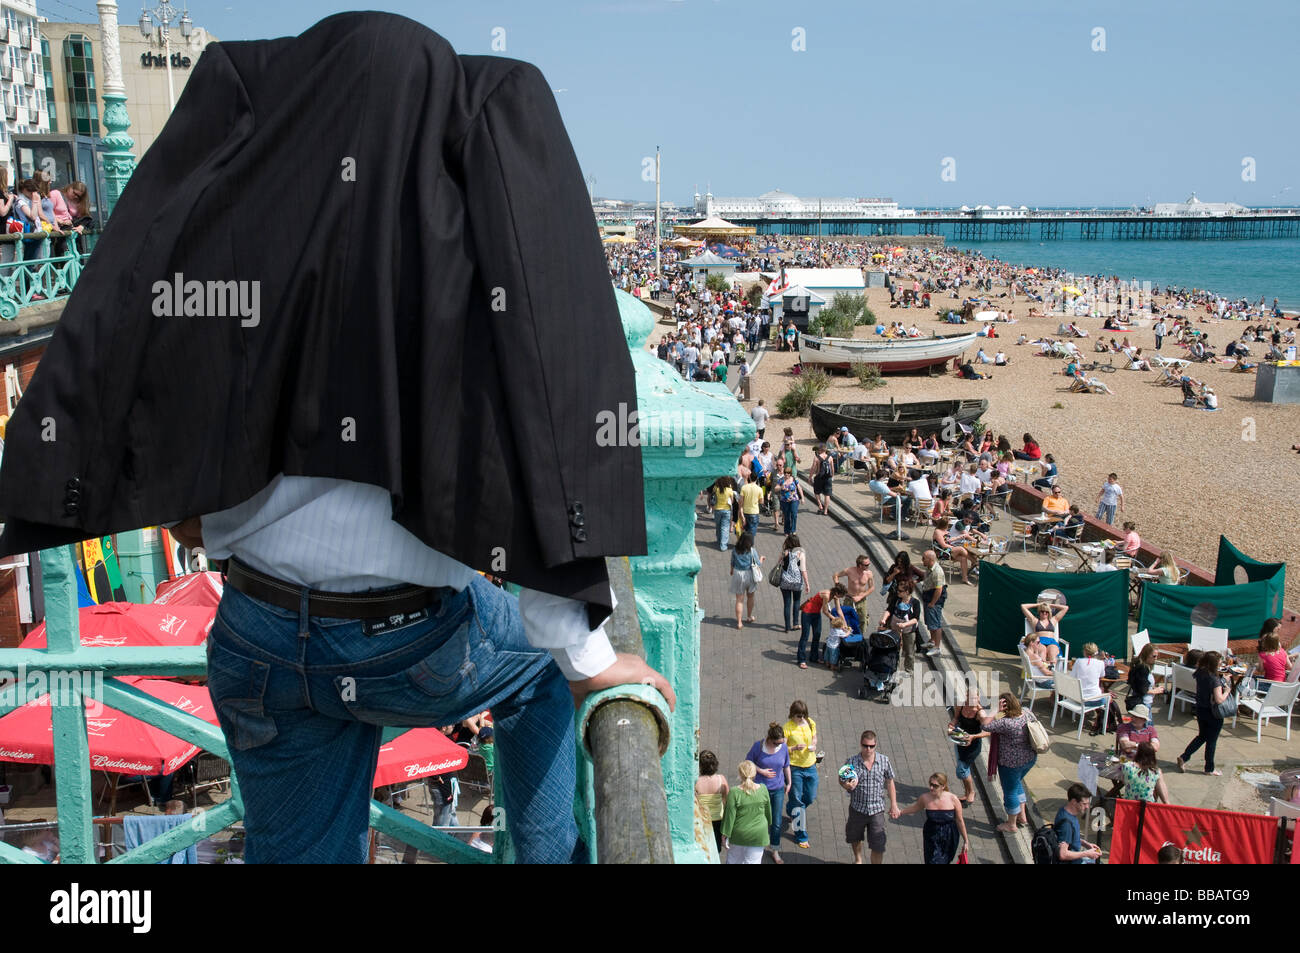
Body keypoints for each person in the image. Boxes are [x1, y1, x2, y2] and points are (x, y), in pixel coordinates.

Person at [838, 729, 900, 865]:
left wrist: (894, 804)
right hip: (857, 808)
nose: (868, 749)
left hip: (877, 810)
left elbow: (890, 781)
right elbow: (842, 779)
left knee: (878, 844)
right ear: (861, 744)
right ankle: (858, 859)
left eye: (871, 746)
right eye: (865, 746)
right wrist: (846, 785)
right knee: (855, 837)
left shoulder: (884, 761)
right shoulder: (852, 762)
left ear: (875, 745)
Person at [1176, 652, 1239, 777]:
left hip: (1200, 710)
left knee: (1202, 736)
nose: (1221, 664)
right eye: (1219, 662)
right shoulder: (1214, 679)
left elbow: (1209, 686)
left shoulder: (1200, 673)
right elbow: (1219, 699)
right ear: (1214, 664)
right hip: (1213, 714)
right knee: (1211, 741)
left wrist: (1222, 680)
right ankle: (1209, 768)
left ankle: (1184, 757)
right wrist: (1227, 691)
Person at [982, 692, 1037, 833]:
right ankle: (1022, 817)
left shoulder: (1006, 723)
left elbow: (985, 725)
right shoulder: (1027, 712)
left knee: (1010, 791)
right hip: (1029, 759)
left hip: (1011, 764)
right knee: (1017, 783)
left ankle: (1011, 824)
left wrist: (995, 709)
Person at [896, 772, 968, 864]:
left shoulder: (953, 799)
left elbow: (959, 820)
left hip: (950, 835)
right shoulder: (925, 798)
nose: (931, 788)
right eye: (930, 784)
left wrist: (966, 841)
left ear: (943, 786)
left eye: (935, 785)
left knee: (946, 860)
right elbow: (914, 808)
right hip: (932, 834)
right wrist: (900, 812)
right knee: (933, 860)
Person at [746, 723, 792, 864]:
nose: (780, 745)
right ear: (770, 740)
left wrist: (789, 782)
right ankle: (756, 849)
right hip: (761, 789)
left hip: (777, 788)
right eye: (777, 743)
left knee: (776, 822)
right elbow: (748, 762)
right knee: (759, 820)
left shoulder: (783, 747)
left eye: (781, 742)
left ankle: (775, 851)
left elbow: (786, 765)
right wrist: (761, 771)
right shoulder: (758, 747)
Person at [782, 700, 819, 849]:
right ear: (792, 714)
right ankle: (801, 835)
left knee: (810, 796)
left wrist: (814, 745)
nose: (801, 718)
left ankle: (791, 808)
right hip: (794, 768)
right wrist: (794, 748)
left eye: (803, 715)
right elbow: (782, 748)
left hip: (810, 765)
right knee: (798, 802)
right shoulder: (787, 728)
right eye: (798, 716)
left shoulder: (810, 723)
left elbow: (815, 737)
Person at [721, 760, 771, 864]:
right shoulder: (763, 789)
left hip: (738, 834)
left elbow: (729, 816)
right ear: (755, 773)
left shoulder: (734, 792)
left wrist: (725, 833)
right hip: (758, 834)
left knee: (733, 861)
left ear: (740, 774)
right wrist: (767, 826)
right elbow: (768, 813)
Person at [948, 691, 989, 805]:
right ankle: (967, 793)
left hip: (973, 745)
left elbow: (989, 732)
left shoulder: (980, 714)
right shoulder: (960, 706)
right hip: (960, 741)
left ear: (978, 698)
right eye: (970, 697)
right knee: (963, 769)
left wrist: (973, 736)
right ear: (966, 696)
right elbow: (955, 719)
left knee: (961, 770)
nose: (973, 700)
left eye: (975, 698)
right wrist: (951, 725)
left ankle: (971, 792)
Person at [880, 578, 927, 674]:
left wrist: (904, 624)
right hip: (894, 629)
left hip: (908, 631)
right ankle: (894, 668)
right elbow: (889, 610)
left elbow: (915, 619)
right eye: (898, 590)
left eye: (900, 591)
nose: (898, 592)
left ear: (907, 592)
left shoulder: (915, 603)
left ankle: (909, 670)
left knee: (909, 652)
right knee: (895, 650)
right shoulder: (896, 599)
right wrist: (884, 619)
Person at [798, 583, 846, 670]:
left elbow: (839, 610)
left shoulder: (835, 596)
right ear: (837, 593)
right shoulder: (827, 595)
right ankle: (801, 660)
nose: (840, 598)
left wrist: (844, 623)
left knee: (817, 634)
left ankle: (814, 657)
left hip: (816, 613)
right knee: (805, 636)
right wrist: (835, 619)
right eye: (841, 596)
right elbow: (825, 611)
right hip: (807, 613)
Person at [1054, 783, 1103, 863]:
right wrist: (1086, 853)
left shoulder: (1065, 811)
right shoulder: (1066, 824)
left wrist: (1086, 844)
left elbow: (1070, 838)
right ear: (1074, 802)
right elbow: (1063, 854)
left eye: (1088, 803)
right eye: (1084, 804)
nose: (1087, 807)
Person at [695, 749, 729, 854]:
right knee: (715, 849)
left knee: (703, 848)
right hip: (718, 819)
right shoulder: (721, 779)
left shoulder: (696, 782)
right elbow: (727, 801)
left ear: (700, 766)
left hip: (702, 820)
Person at [729, 531, 763, 628]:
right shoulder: (752, 550)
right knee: (750, 597)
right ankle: (748, 616)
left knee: (739, 600)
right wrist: (761, 559)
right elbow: (758, 564)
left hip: (738, 574)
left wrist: (731, 570)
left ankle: (739, 622)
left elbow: (732, 562)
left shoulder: (735, 549)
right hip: (749, 574)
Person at [777, 534, 809, 633]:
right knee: (796, 601)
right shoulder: (801, 554)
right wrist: (807, 584)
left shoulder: (784, 552)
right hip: (797, 582)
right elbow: (803, 570)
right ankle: (795, 623)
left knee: (787, 604)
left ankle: (787, 627)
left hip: (785, 581)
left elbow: (779, 564)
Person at [832, 555, 876, 626]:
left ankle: (860, 636)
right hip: (849, 599)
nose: (868, 566)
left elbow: (872, 588)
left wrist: (861, 597)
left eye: (869, 564)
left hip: (862, 601)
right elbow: (836, 575)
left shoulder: (869, 573)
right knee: (846, 618)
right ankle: (848, 634)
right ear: (860, 565)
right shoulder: (850, 571)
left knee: (862, 620)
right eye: (866, 565)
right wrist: (837, 587)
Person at [932, 517, 977, 586]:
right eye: (948, 524)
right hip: (942, 553)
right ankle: (975, 562)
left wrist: (959, 537)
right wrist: (954, 547)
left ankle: (965, 578)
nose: (949, 525)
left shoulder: (946, 531)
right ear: (944, 524)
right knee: (961, 549)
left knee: (963, 558)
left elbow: (949, 540)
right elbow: (944, 545)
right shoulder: (938, 532)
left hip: (949, 551)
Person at [919, 550, 947, 657]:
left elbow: (939, 589)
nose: (922, 560)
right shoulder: (929, 569)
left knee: (935, 624)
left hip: (933, 601)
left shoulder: (937, 572)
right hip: (928, 598)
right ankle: (932, 641)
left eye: (924, 558)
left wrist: (932, 603)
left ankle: (937, 647)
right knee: (930, 622)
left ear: (930, 559)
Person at [1125, 648, 1167, 714]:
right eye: (1154, 656)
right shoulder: (1143, 669)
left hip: (1139, 701)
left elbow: (1132, 682)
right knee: (1147, 724)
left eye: (1156, 656)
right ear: (1146, 655)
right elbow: (1142, 690)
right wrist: (1155, 691)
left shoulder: (1137, 665)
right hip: (1144, 704)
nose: (1156, 658)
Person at [774, 465, 804, 534]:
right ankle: (786, 531)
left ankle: (793, 530)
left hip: (794, 500)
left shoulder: (794, 479)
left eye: (788, 473)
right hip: (784, 501)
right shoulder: (781, 480)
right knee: (786, 516)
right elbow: (776, 489)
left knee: (794, 515)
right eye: (785, 473)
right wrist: (781, 487)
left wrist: (802, 498)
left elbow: (799, 488)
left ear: (790, 474)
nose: (786, 475)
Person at [710, 476, 737, 551]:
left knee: (718, 526)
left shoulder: (716, 488)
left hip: (717, 509)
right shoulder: (729, 490)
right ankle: (723, 545)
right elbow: (732, 501)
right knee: (725, 527)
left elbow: (712, 496)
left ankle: (719, 541)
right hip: (726, 510)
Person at [810, 443, 834, 514]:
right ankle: (826, 510)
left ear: (820, 449)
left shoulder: (817, 458)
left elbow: (813, 468)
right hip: (828, 477)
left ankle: (820, 505)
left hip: (819, 477)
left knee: (816, 492)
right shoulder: (830, 458)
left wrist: (810, 477)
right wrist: (832, 476)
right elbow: (832, 468)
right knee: (827, 494)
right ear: (825, 449)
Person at [739, 471, 763, 537]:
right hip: (754, 512)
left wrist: (740, 512)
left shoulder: (744, 487)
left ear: (749, 477)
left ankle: (744, 545)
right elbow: (761, 502)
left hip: (745, 512)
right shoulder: (759, 489)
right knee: (752, 533)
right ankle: (750, 546)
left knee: (744, 531)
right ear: (757, 478)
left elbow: (741, 501)